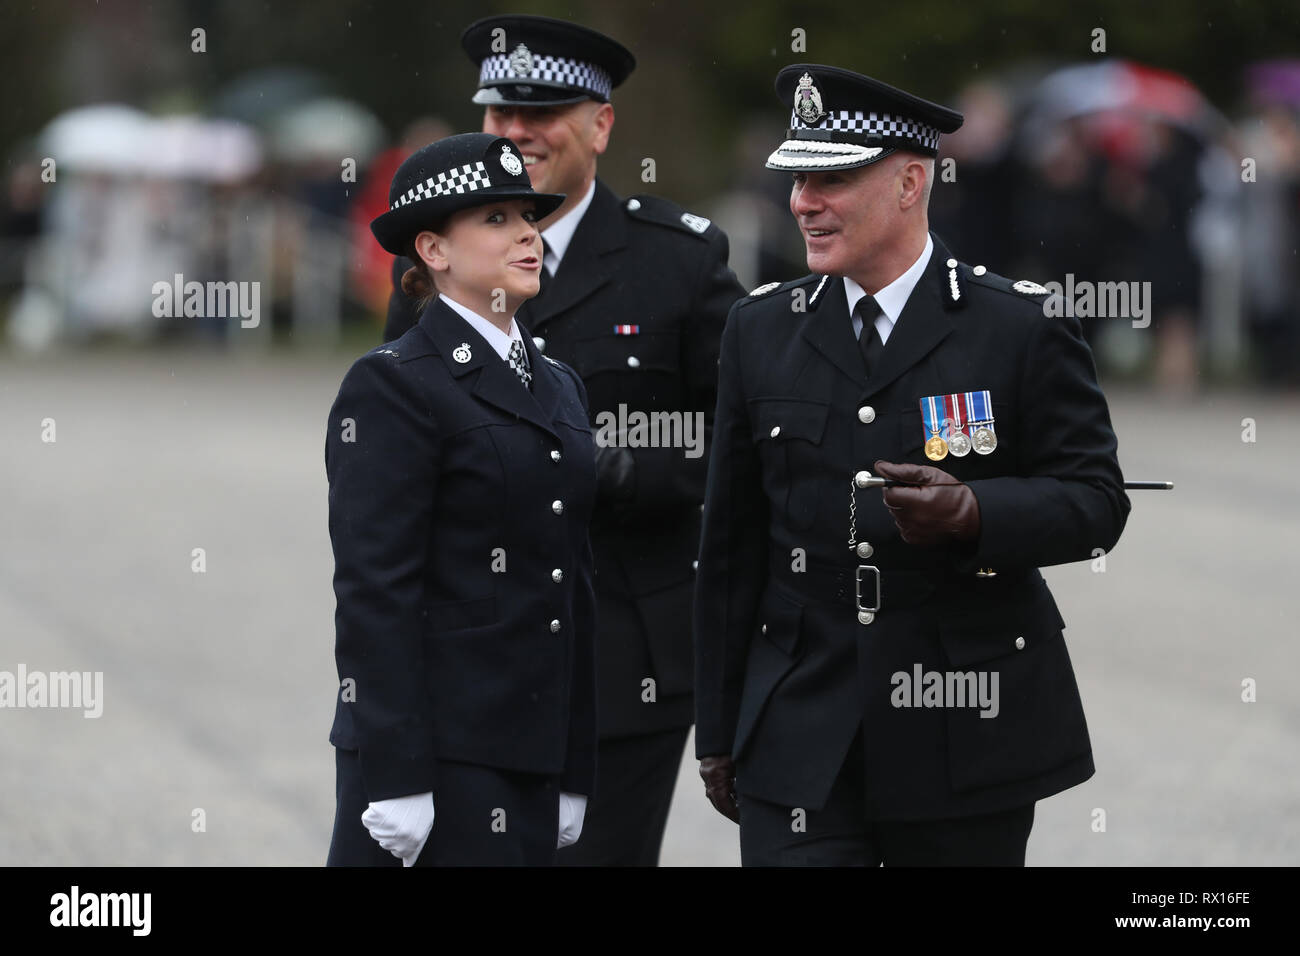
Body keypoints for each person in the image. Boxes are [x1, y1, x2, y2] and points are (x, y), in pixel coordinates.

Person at [693, 64, 1132, 866]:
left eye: (830, 178)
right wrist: (720, 729)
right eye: (797, 179)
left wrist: (976, 514)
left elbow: (1097, 500)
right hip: (801, 724)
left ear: (908, 183)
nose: (802, 202)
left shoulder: (1016, 326)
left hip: (967, 723)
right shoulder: (759, 332)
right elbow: (730, 545)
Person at [386, 14, 746, 866]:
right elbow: (400, 420)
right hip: (474, 643)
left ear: (600, 124)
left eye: (542, 111)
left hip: (623, 652)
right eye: (500, 112)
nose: (516, 132)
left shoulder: (680, 261)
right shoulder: (440, 249)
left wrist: (623, 471)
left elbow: (743, 439)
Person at [325, 132, 598, 866]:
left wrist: (576, 761)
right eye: (497, 219)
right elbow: (375, 590)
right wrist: (397, 770)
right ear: (434, 251)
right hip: (438, 752)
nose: (527, 234)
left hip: (531, 748)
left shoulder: (559, 382)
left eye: (529, 216)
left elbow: (571, 585)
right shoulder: (394, 384)